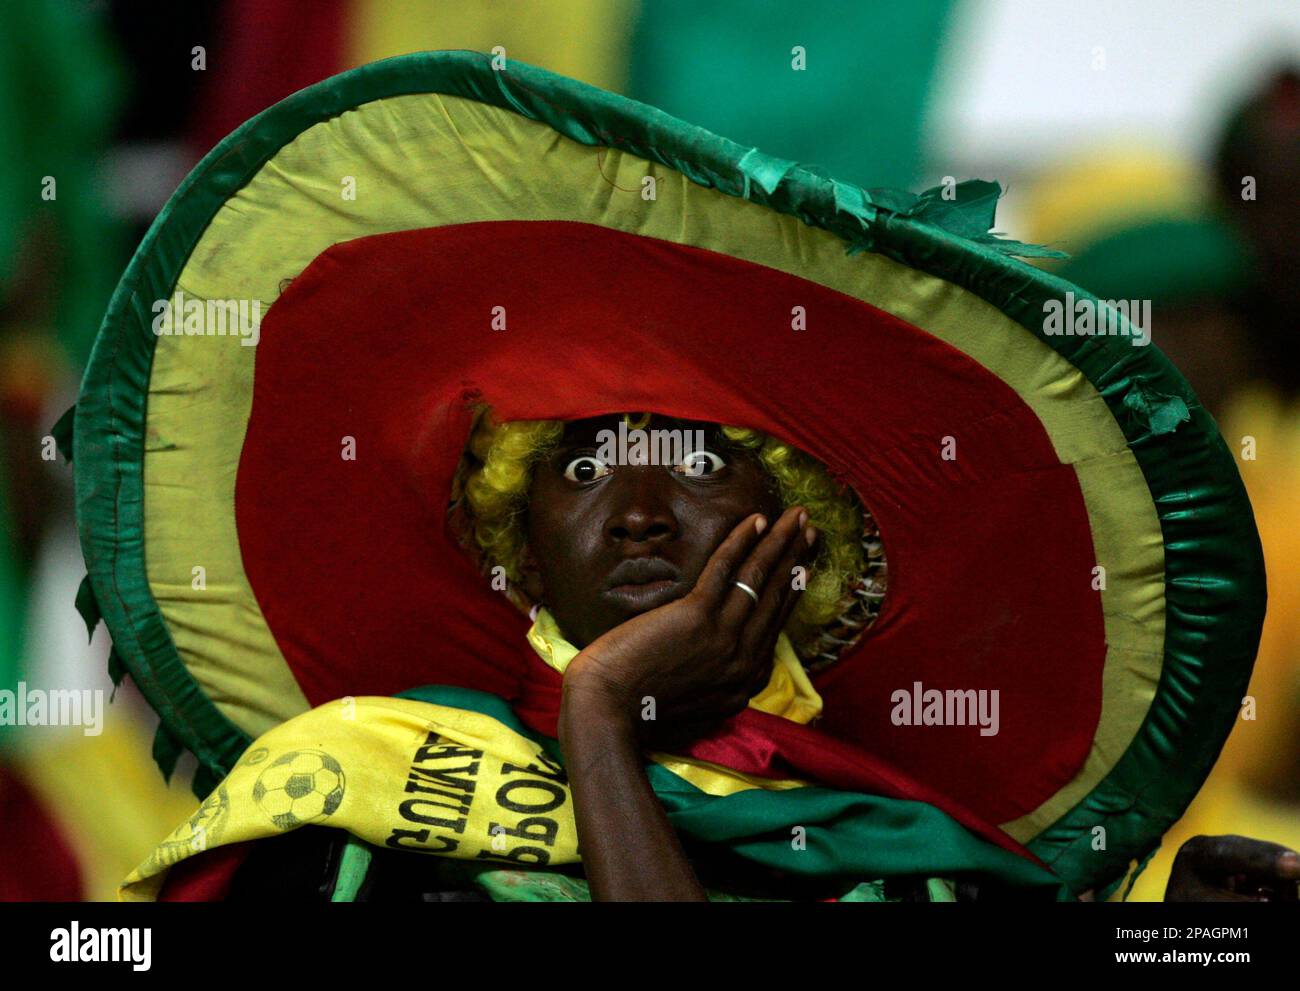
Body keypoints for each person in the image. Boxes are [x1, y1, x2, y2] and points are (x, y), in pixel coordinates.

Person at [64, 51, 1283, 903]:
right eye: (582, 465)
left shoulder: (910, 854)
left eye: (697, 462)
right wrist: (602, 715)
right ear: (519, 548)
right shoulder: (341, 790)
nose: (638, 511)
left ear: (797, 532)